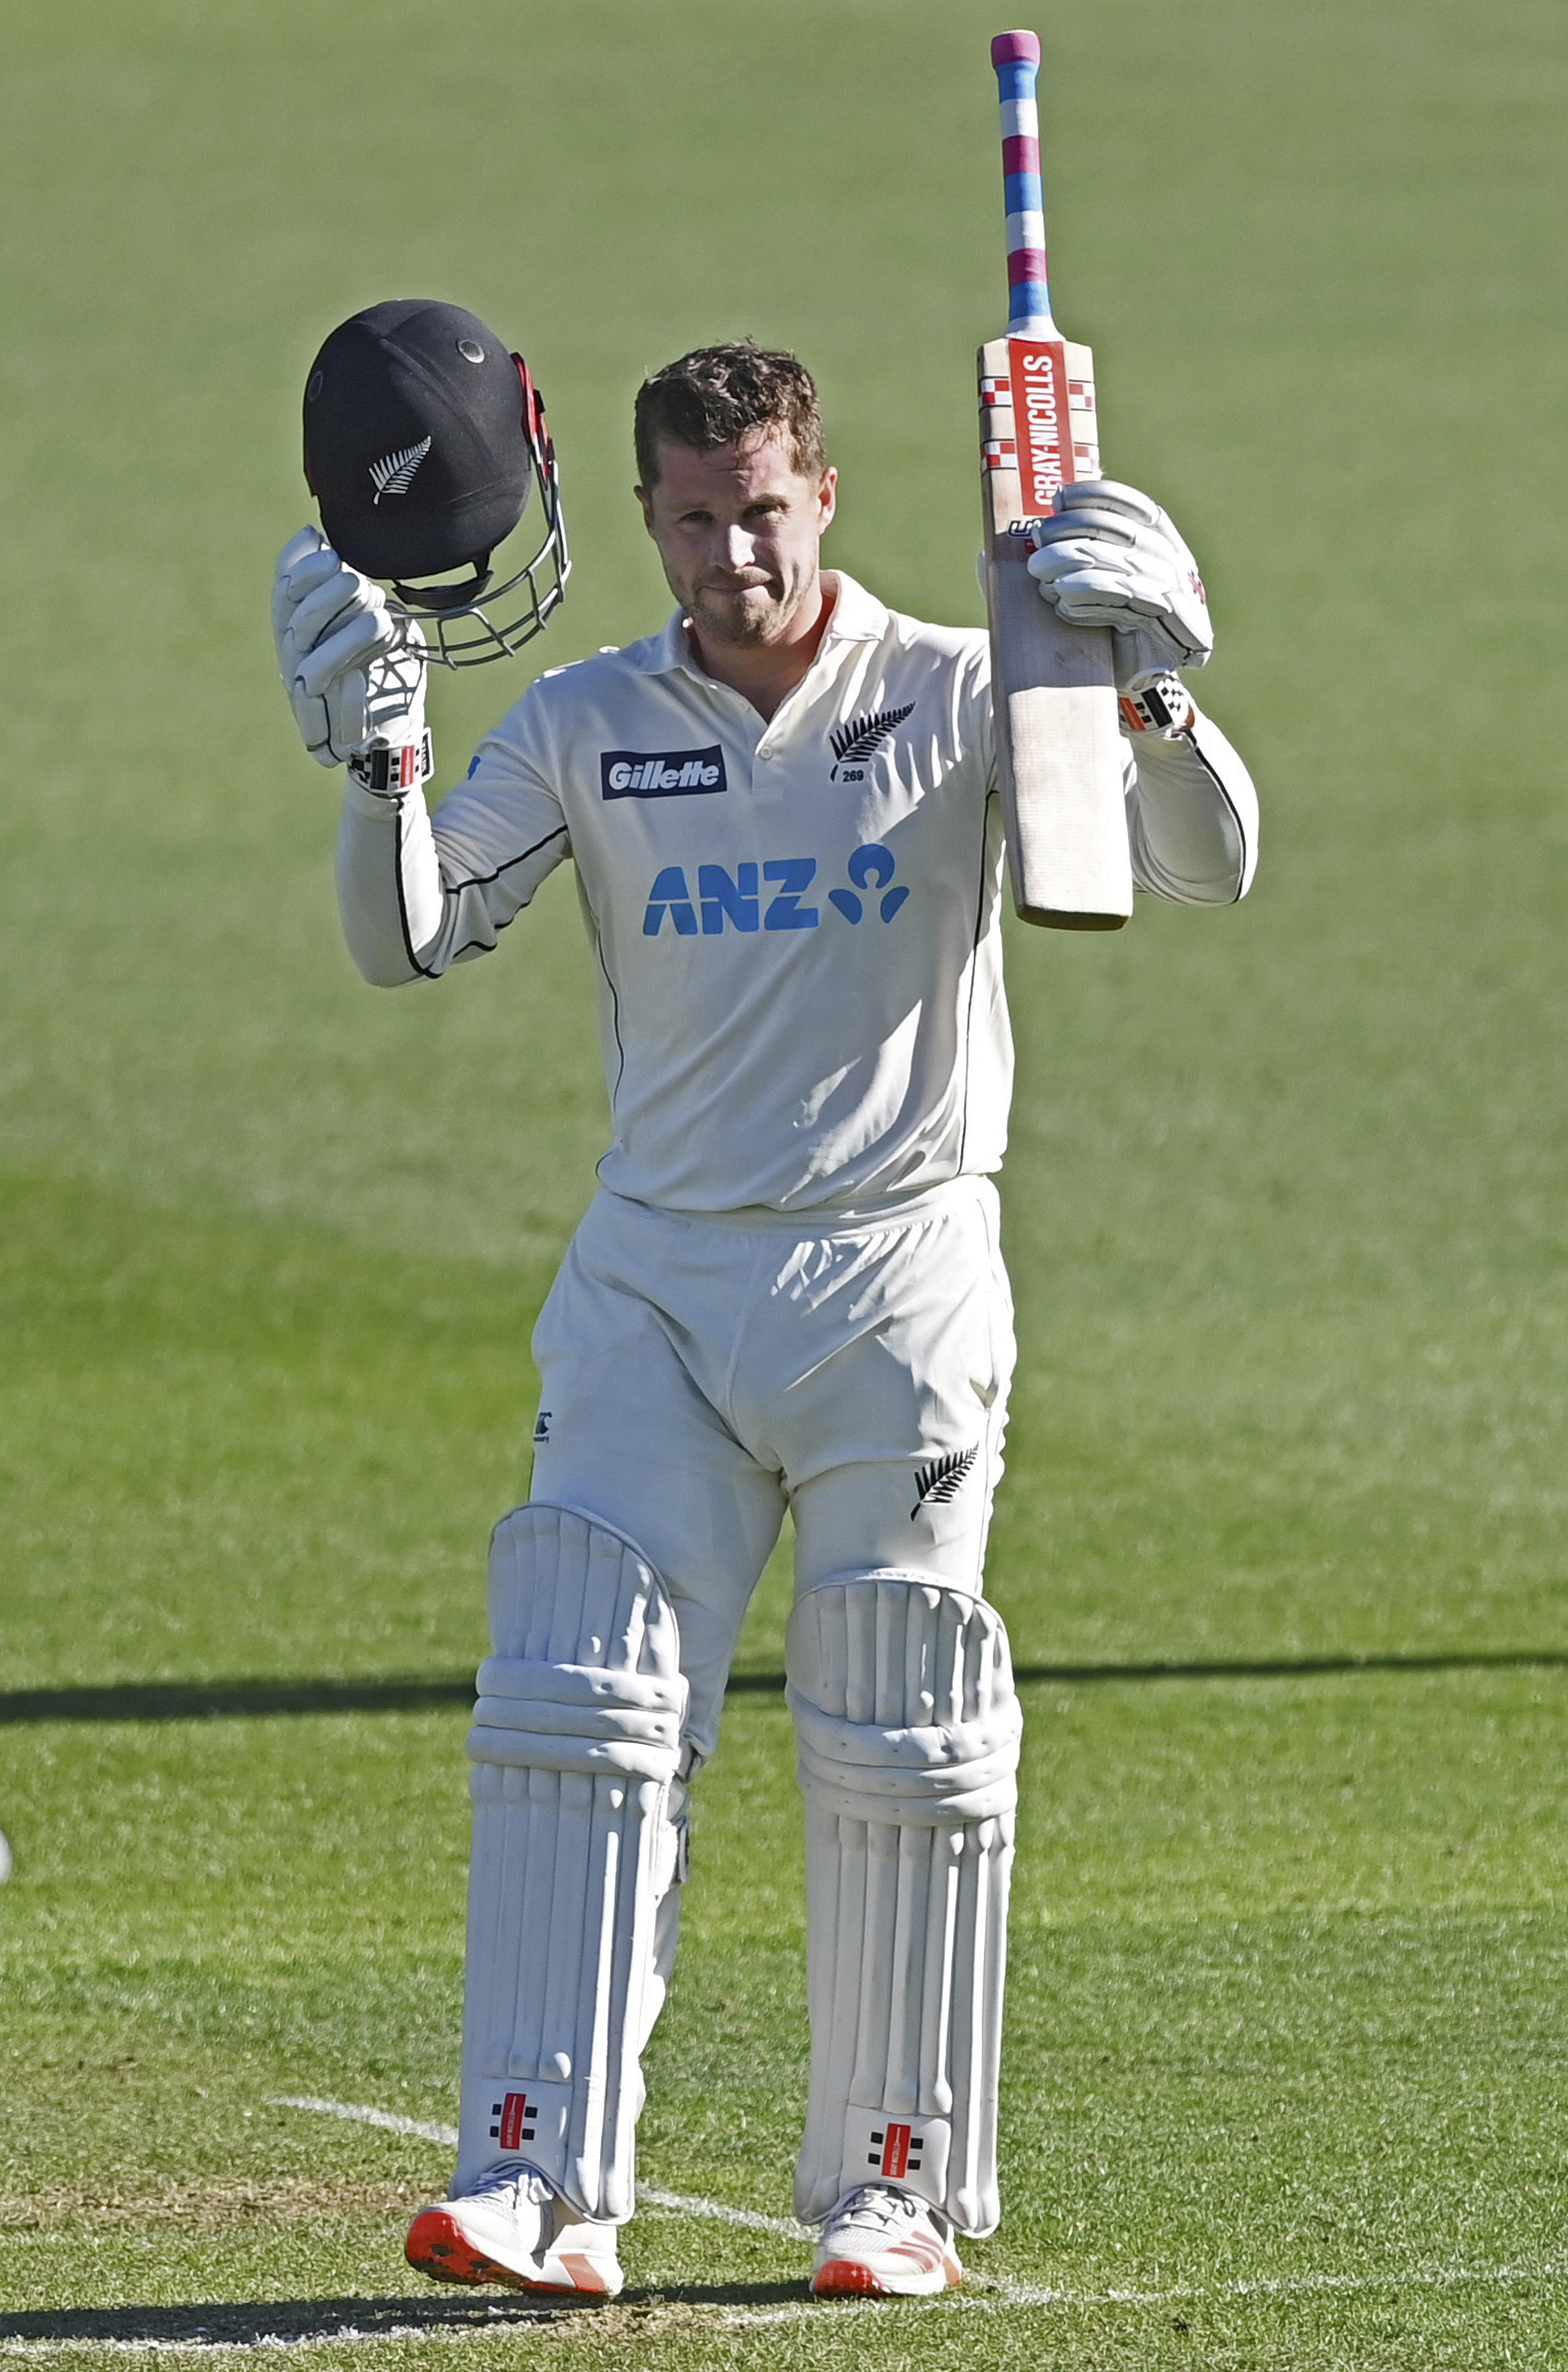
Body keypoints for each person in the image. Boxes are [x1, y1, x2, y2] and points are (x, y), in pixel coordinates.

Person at [272, 325, 1257, 2302]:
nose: (736, 555)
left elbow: (1204, 865)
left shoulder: (969, 684)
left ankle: (894, 2187)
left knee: (897, 1720)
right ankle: (537, 2175)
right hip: (657, 1282)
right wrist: (380, 764)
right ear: (647, 514)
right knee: (577, 1702)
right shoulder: (584, 720)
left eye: (766, 512)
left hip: (897, 1274)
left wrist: (1154, 686)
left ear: (825, 494)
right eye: (697, 520)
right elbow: (406, 941)